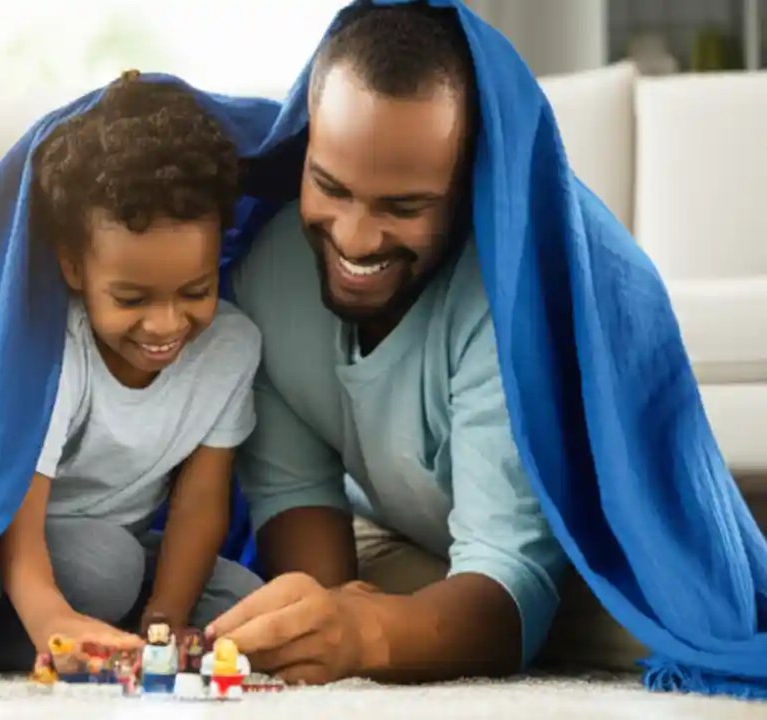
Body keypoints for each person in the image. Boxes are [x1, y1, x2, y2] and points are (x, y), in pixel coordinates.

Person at [206, 3, 646, 684]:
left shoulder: (502, 298)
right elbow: (301, 518)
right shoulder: (267, 271)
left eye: (403, 207)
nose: (354, 238)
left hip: (583, 546)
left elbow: (511, 579)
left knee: (638, 637)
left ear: (468, 187)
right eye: (331, 187)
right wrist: (328, 627)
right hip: (408, 535)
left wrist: (366, 635)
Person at [0, 71, 265, 672]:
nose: (165, 324)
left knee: (243, 601)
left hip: (127, 549)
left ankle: (113, 637)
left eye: (195, 291)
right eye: (131, 299)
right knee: (107, 569)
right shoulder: (59, 346)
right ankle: (4, 641)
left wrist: (167, 618)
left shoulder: (232, 347)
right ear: (75, 269)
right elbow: (20, 505)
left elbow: (201, 502)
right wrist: (49, 617)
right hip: (26, 555)